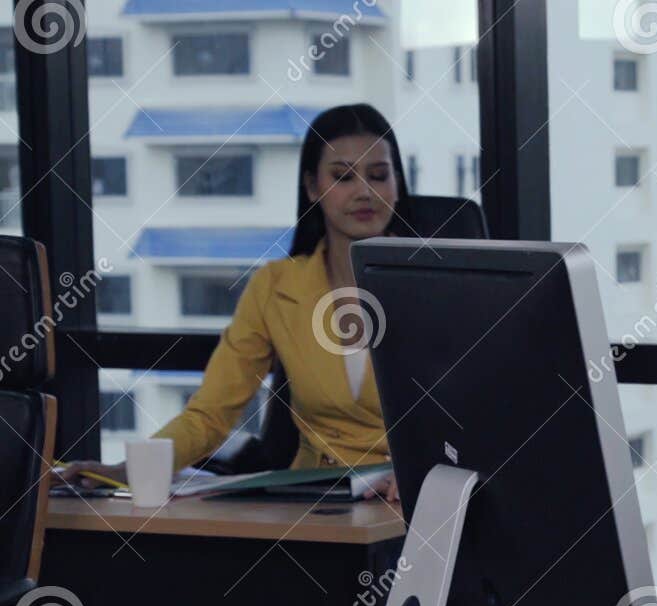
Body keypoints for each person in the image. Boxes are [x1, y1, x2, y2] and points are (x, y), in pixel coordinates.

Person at [63, 104, 413, 500]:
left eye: (379, 175)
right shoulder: (275, 286)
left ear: (398, 184)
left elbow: (474, 414)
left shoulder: (433, 282)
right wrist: (126, 470)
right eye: (343, 177)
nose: (364, 191)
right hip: (318, 504)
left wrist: (431, 474)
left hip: (416, 499)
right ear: (313, 188)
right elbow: (211, 414)